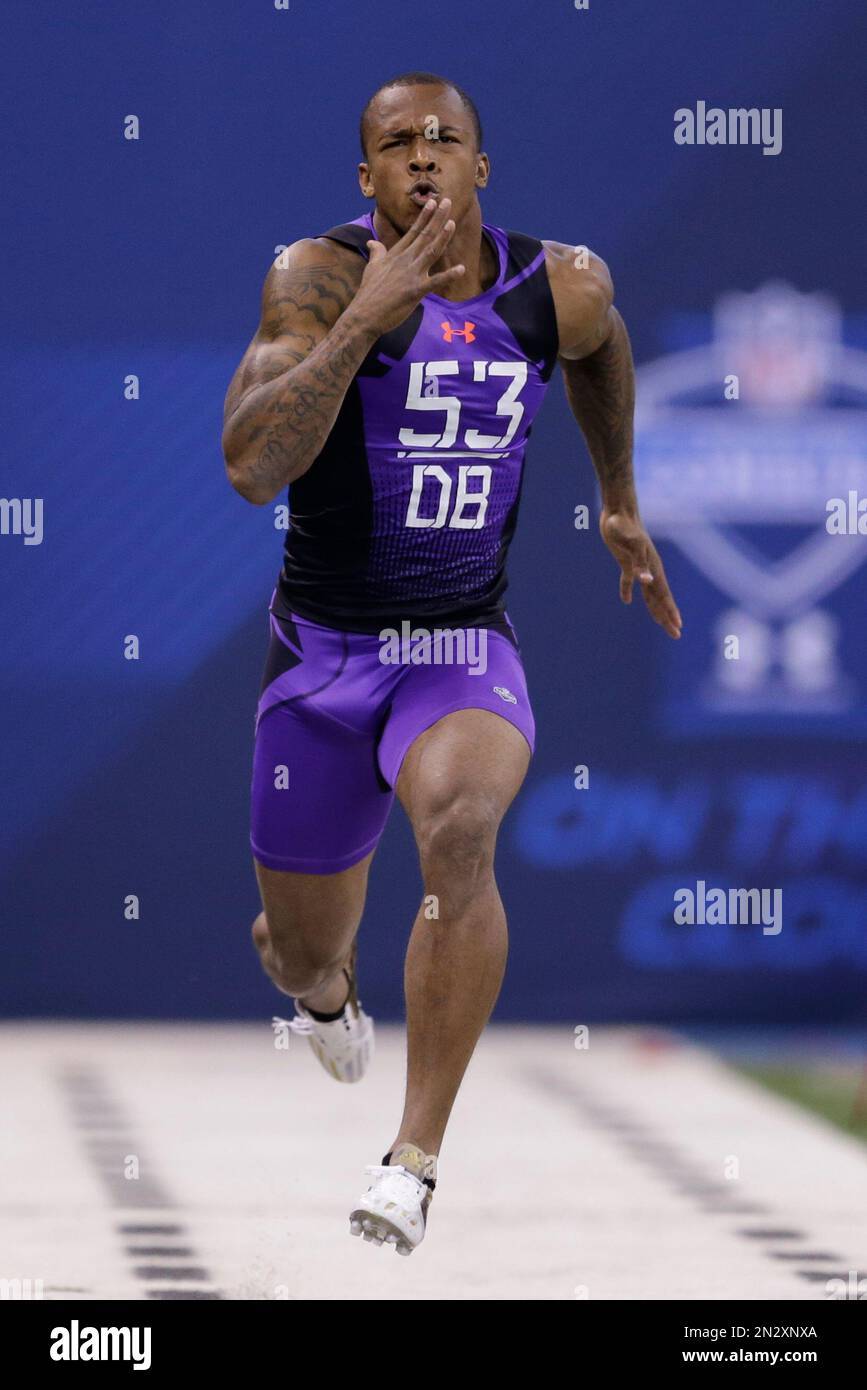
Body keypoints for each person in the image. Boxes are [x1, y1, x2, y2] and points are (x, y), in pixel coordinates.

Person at [222, 71, 682, 1256]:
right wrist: (367, 318)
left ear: (481, 168)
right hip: (321, 660)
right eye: (395, 144)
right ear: (366, 179)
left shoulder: (555, 284)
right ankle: (321, 985)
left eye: (446, 140)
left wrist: (619, 496)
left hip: (458, 646)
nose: (423, 157)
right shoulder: (315, 281)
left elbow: (604, 346)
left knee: (463, 824)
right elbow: (250, 467)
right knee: (303, 946)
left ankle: (413, 1160)